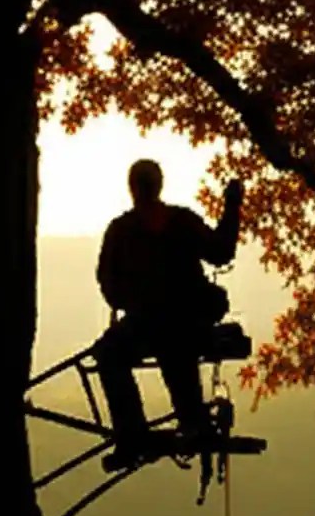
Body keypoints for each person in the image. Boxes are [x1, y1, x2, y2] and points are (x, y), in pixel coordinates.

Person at [93, 158, 244, 461]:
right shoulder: (182, 222)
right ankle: (190, 422)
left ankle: (134, 432)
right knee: (174, 346)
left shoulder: (122, 230)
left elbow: (108, 283)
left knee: (110, 354)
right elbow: (220, 252)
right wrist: (232, 208)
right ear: (159, 186)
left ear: (132, 188)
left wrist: (133, 302)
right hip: (185, 321)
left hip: (151, 323)